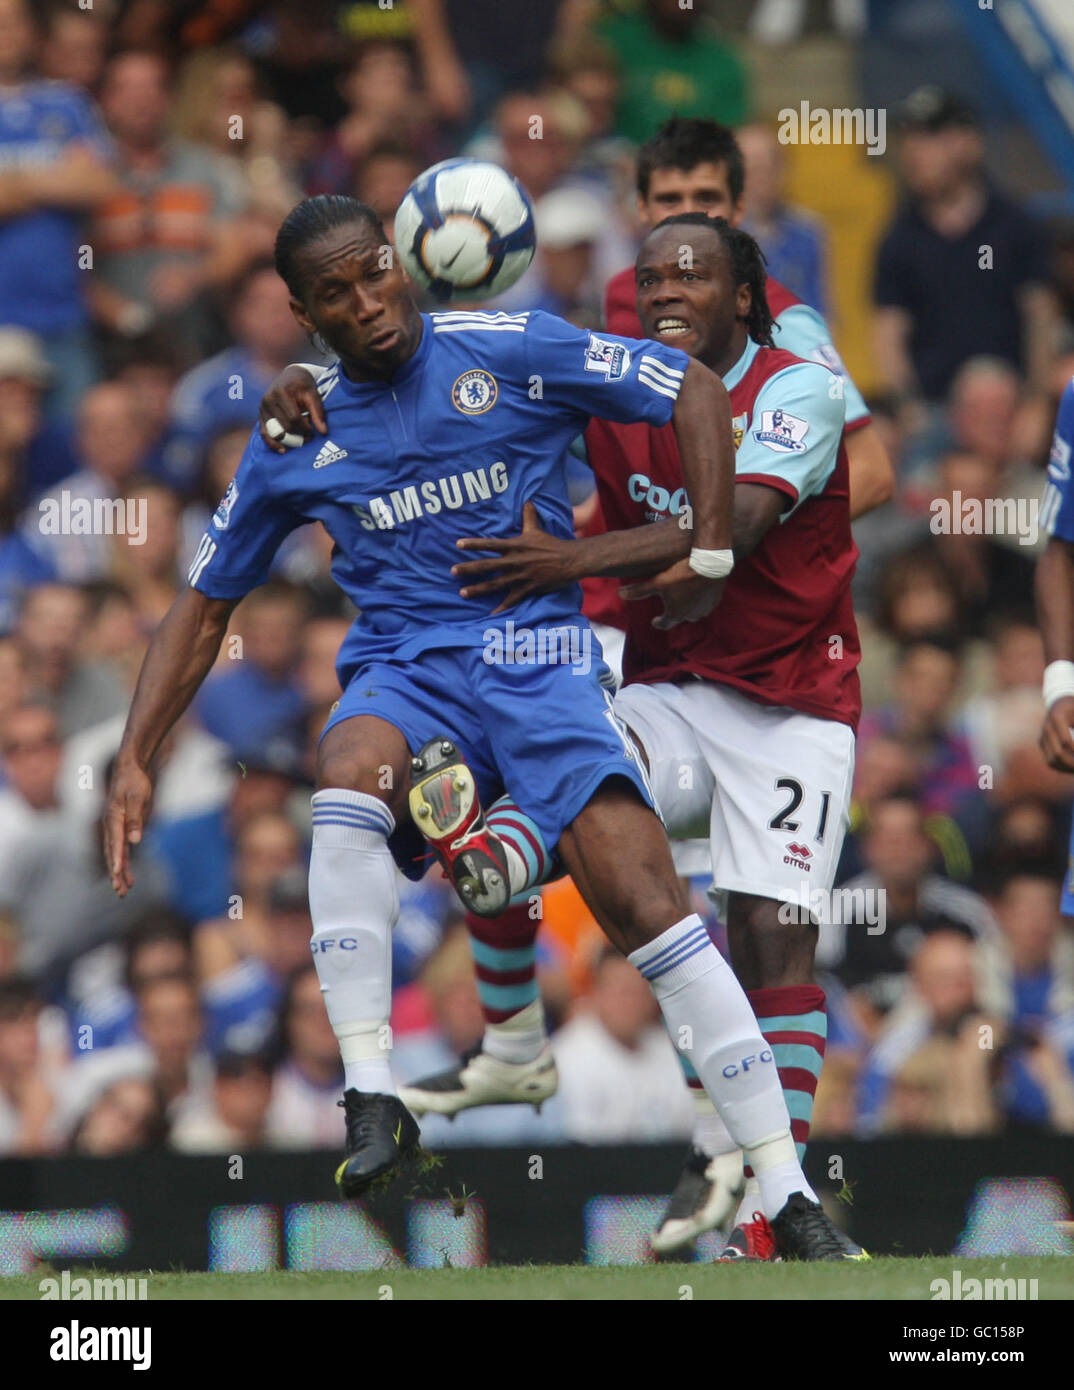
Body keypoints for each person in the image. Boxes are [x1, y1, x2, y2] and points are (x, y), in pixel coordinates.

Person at [108, 193, 859, 1260]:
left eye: (377, 272)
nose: (369, 303)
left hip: (543, 666)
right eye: (337, 293)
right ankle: (371, 1091)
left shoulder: (510, 349)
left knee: (650, 902)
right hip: (407, 675)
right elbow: (202, 603)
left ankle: (785, 1193)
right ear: (302, 312)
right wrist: (136, 756)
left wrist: (704, 547)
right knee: (347, 765)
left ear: (401, 260)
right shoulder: (295, 431)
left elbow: (692, 386)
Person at [396, 215, 863, 1261]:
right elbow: (469, 409)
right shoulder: (618, 390)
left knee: (774, 937)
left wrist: (564, 559)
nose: (667, 292)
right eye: (651, 276)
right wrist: (313, 391)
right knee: (592, 785)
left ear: (745, 297)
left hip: (796, 705)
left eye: (693, 275)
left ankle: (764, 1222)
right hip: (674, 685)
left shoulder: (800, 387)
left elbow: (727, 528)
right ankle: (502, 861)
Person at [602, 117, 892, 521]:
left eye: (706, 198)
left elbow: (871, 472)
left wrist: (747, 548)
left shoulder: (781, 317)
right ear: (640, 208)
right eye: (670, 199)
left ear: (739, 207)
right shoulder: (621, 293)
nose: (688, 217)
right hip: (646, 560)